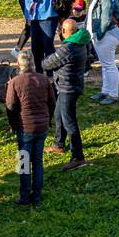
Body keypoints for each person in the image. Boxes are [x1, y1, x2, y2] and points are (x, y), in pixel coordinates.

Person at [5, 50, 55, 208]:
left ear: (18, 64)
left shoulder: (15, 82)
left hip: (25, 126)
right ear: (33, 62)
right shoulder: (44, 80)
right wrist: (49, 119)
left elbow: (10, 106)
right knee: (38, 162)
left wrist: (13, 125)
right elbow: (52, 102)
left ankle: (25, 195)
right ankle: (37, 196)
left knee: (24, 162)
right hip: (41, 125)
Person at [42, 18, 90, 171]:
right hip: (71, 85)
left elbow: (46, 63)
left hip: (68, 88)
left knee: (69, 122)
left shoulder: (68, 48)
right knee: (58, 114)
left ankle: (78, 156)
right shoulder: (82, 40)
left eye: (61, 29)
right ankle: (59, 144)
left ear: (64, 31)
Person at [86, 0, 119, 105]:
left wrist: (98, 35)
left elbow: (105, 19)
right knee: (105, 65)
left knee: (109, 65)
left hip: (105, 35)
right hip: (100, 35)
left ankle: (113, 93)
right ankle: (105, 91)